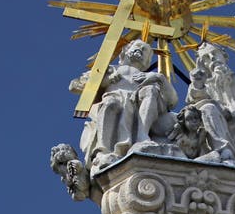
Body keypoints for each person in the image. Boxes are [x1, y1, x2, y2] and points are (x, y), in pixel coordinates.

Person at [73, 39, 178, 173]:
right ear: (125, 51)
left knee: (151, 90)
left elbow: (172, 101)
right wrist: (106, 80)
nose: (140, 50)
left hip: (137, 102)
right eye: (137, 46)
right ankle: (103, 150)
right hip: (114, 99)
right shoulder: (112, 69)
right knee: (110, 104)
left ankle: (142, 136)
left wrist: (159, 78)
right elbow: (76, 85)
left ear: (147, 61)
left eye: (145, 50)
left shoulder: (147, 76)